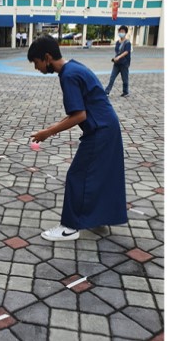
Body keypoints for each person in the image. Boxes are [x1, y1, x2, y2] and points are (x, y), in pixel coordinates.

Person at [27, 36, 129, 241]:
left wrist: (48, 133)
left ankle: (70, 227)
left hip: (100, 130)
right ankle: (97, 220)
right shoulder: (73, 67)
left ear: (47, 58)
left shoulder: (68, 76)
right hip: (108, 127)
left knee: (77, 176)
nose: (37, 68)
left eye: (36, 63)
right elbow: (78, 111)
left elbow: (79, 116)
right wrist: (50, 128)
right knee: (101, 176)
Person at [105, 25, 133, 97]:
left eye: (123, 31)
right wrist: (115, 58)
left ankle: (126, 92)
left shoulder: (127, 43)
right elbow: (117, 51)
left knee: (125, 79)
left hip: (124, 63)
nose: (121, 33)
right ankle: (107, 92)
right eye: (120, 31)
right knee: (112, 78)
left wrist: (119, 57)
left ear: (125, 33)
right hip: (117, 63)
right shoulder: (117, 42)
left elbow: (126, 52)